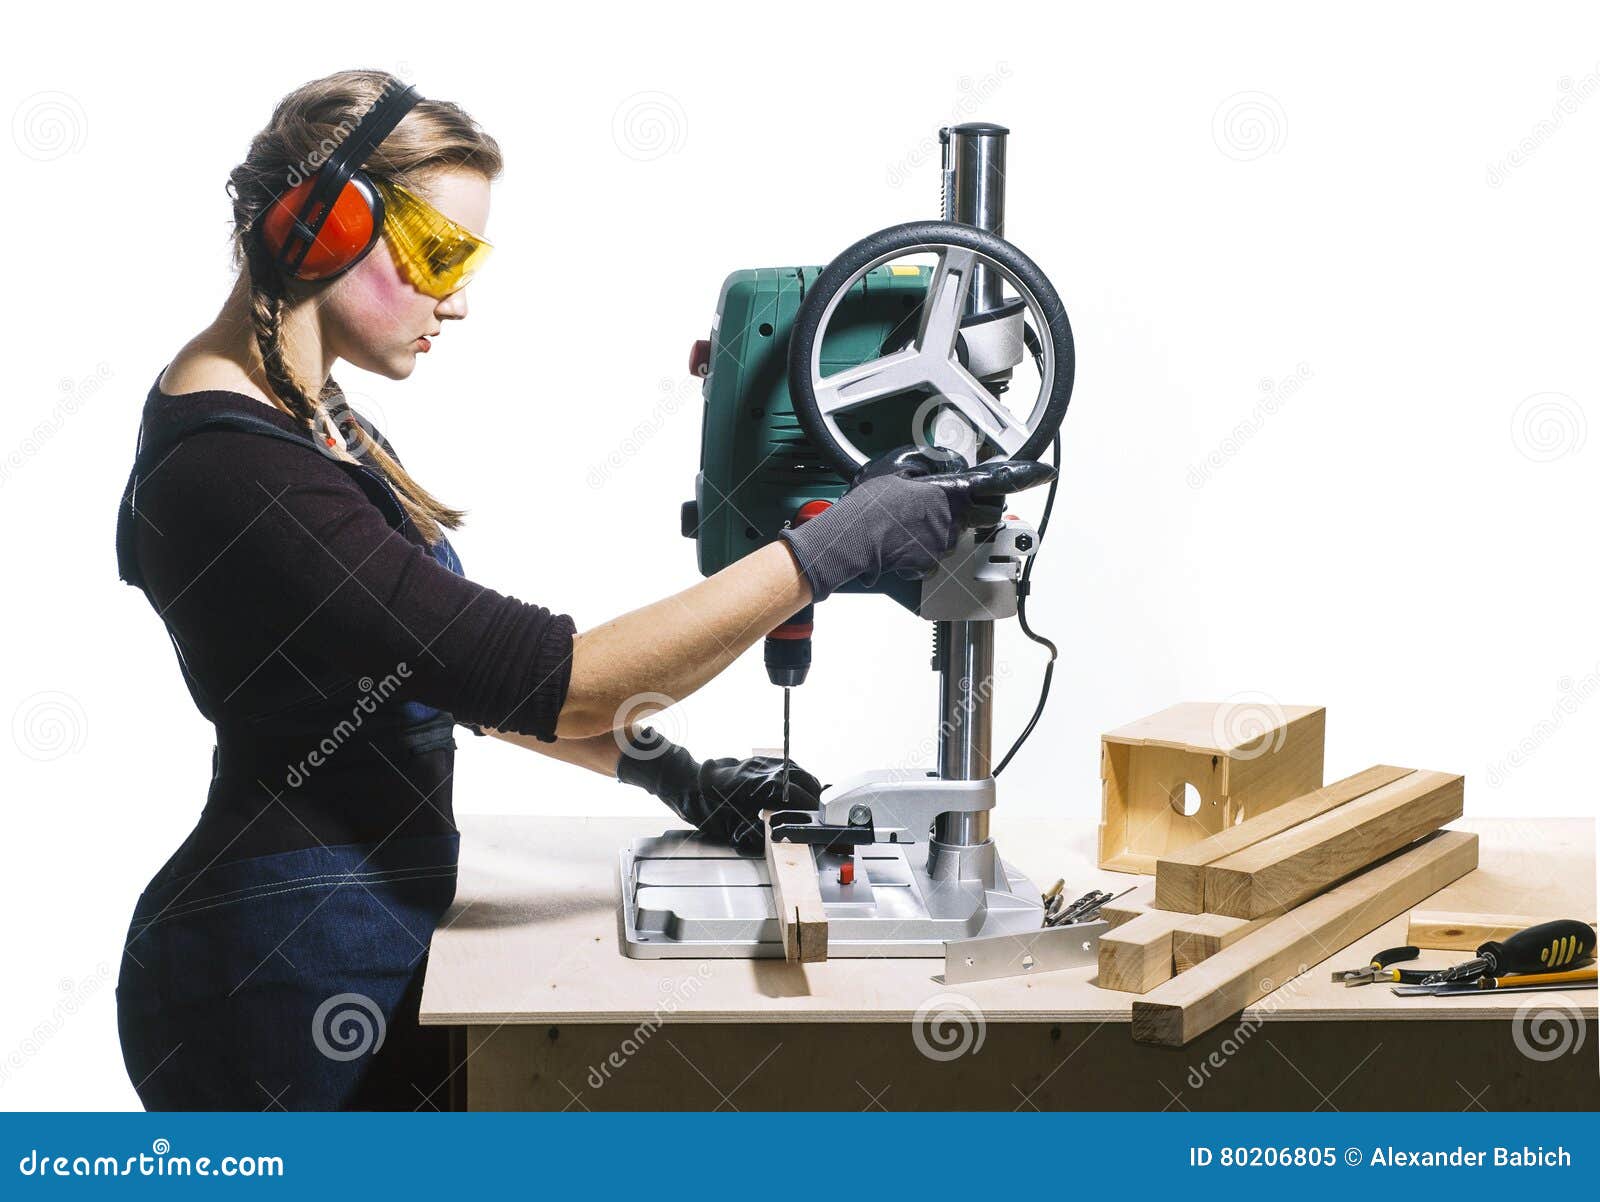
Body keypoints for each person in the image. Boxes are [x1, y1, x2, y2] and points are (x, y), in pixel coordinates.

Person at [112, 70, 989, 1110]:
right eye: (440, 254)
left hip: (341, 930)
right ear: (323, 228)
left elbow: (443, 675)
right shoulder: (237, 470)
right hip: (274, 971)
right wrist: (830, 548)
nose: (459, 298)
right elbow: (549, 678)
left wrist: (678, 777)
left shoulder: (303, 413)